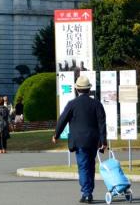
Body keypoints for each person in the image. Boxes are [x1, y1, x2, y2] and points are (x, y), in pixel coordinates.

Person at [52, 75, 107, 204]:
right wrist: (103, 141)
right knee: (90, 165)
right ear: (89, 89)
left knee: (83, 166)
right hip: (93, 140)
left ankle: (87, 193)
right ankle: (89, 191)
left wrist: (56, 135)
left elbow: (62, 120)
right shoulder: (96, 104)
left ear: (77, 89)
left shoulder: (72, 104)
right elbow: (102, 124)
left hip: (79, 141)